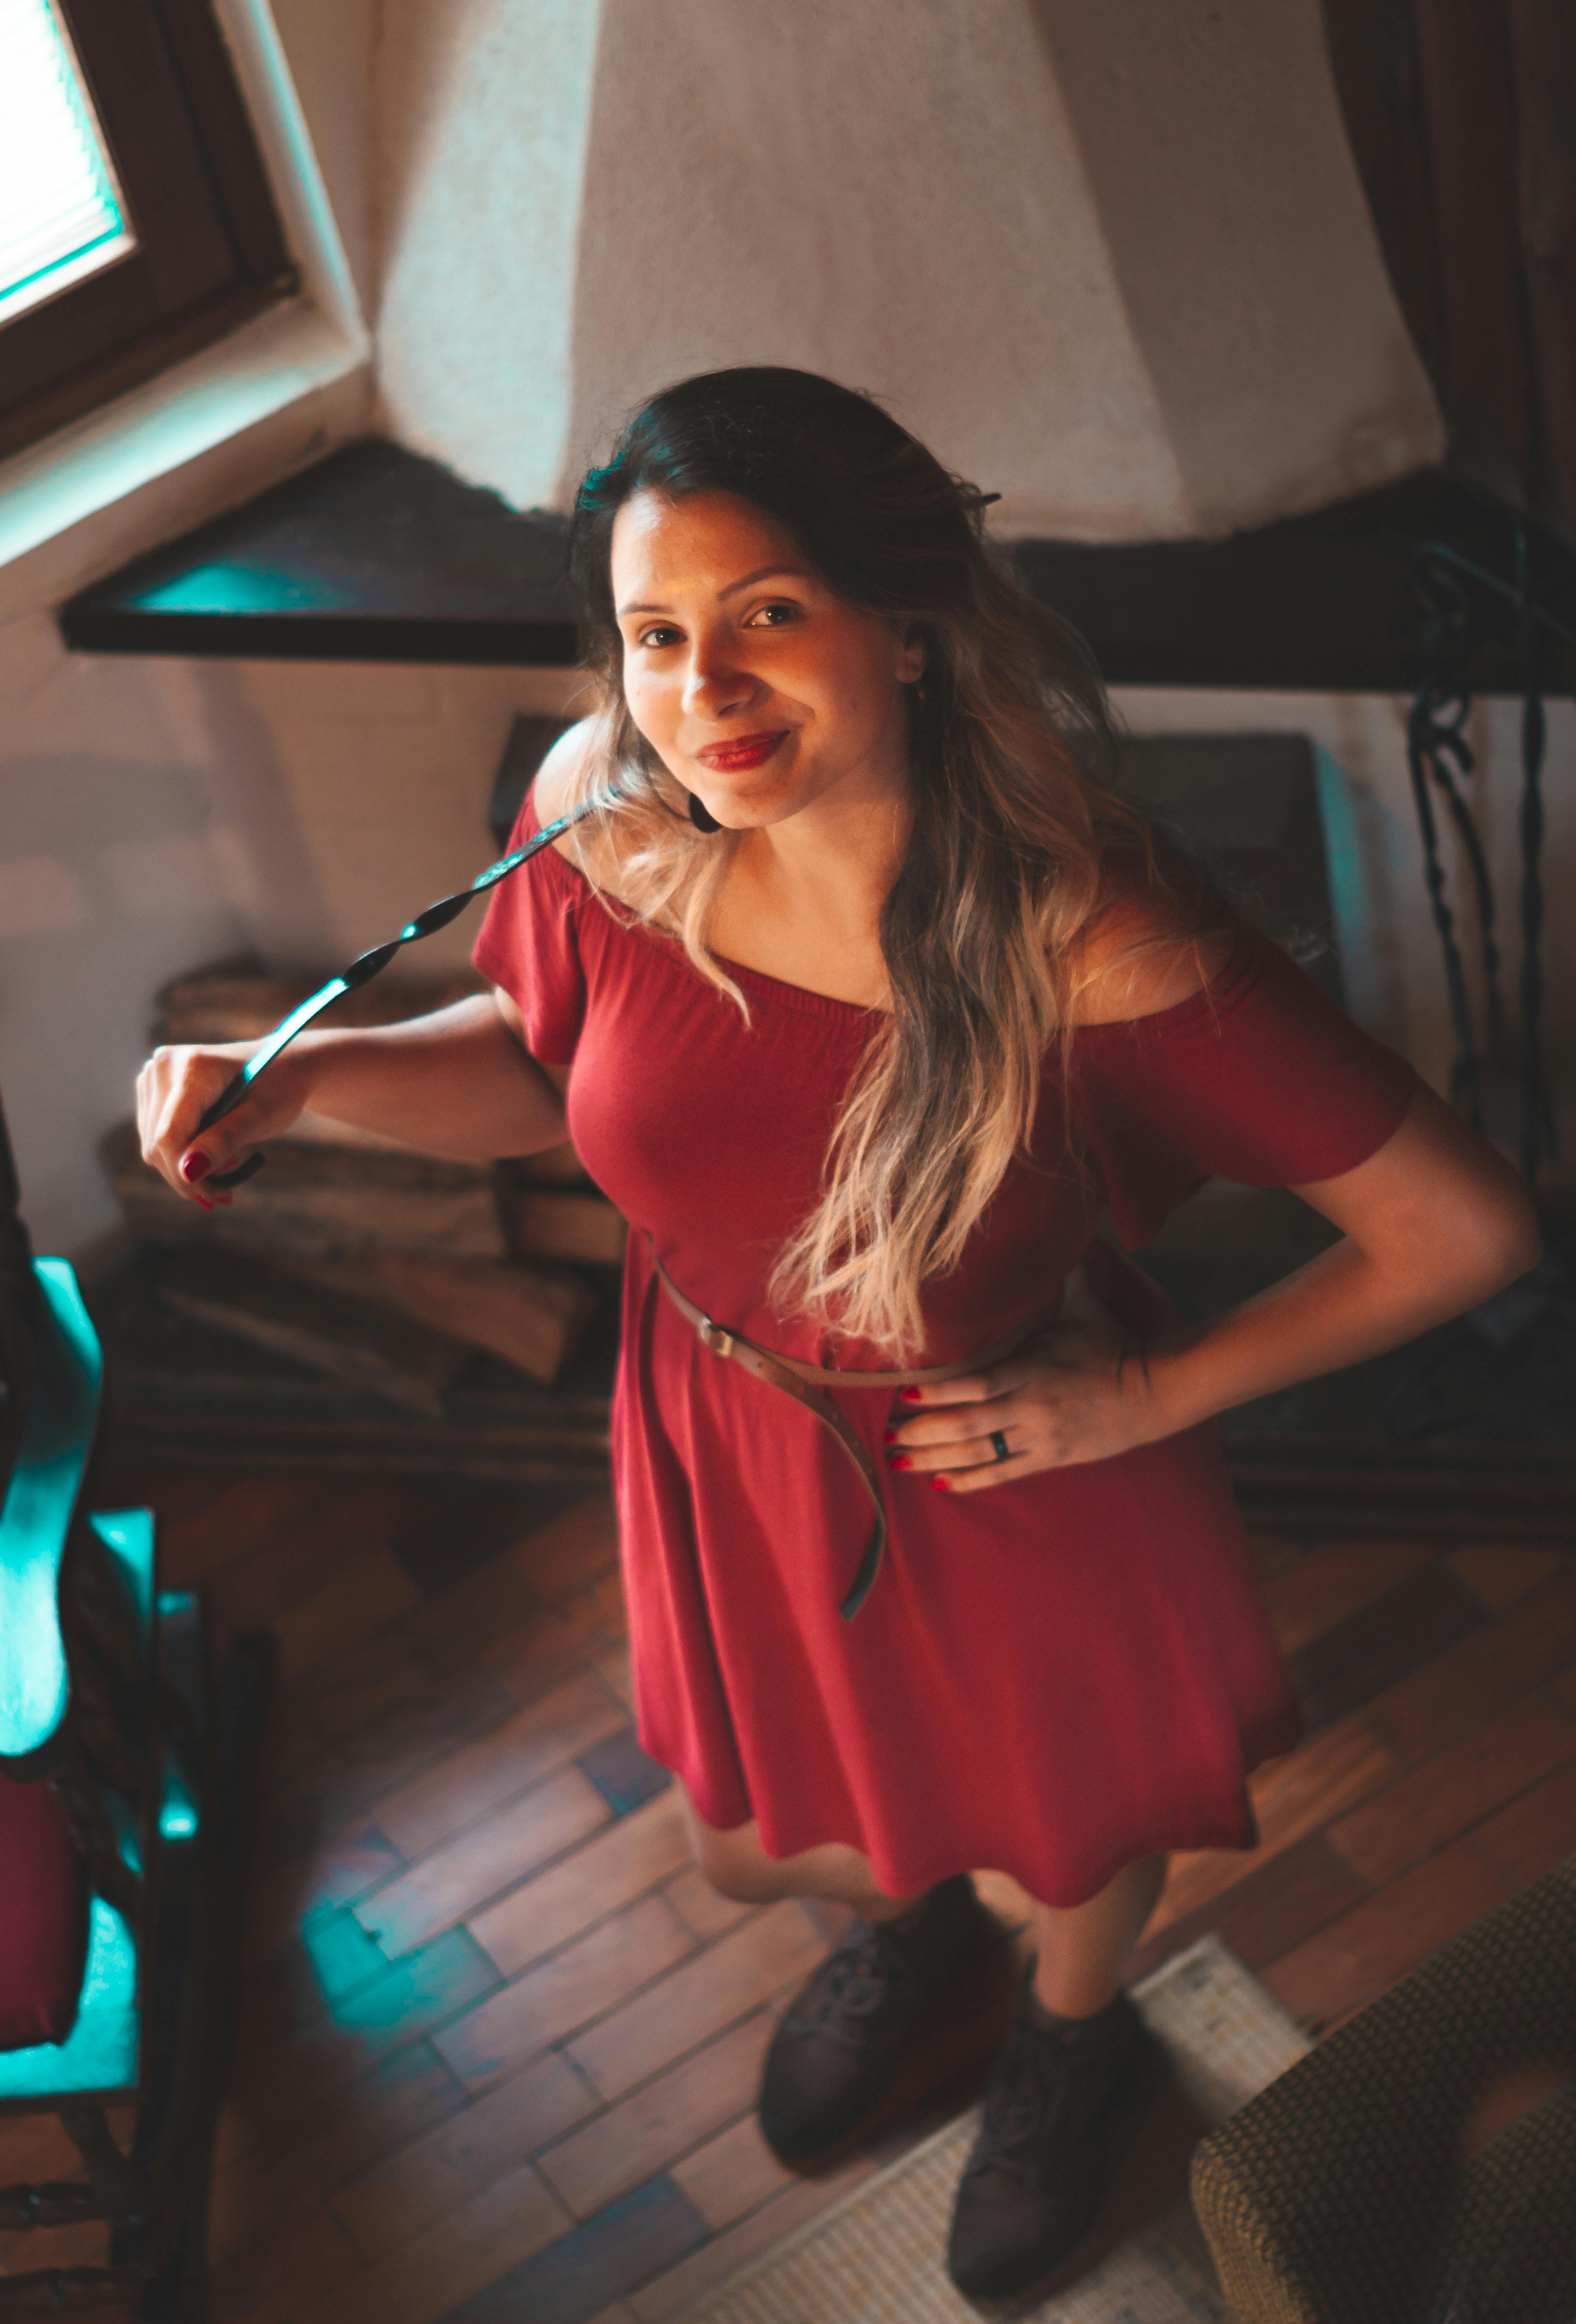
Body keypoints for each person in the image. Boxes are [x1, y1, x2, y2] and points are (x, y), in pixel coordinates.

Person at [137, 368, 1542, 2298]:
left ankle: (1069, 2033)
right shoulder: (595, 817)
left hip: (1000, 1455)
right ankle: (924, 1927)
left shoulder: (1092, 935)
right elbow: (547, 1078)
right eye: (656, 634)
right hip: (721, 1424)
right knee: (798, 1822)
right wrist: (307, 1086)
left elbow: (1459, 1226)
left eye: (767, 616)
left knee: (1062, 1832)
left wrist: (1146, 1389)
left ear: (908, 619)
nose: (701, 691)